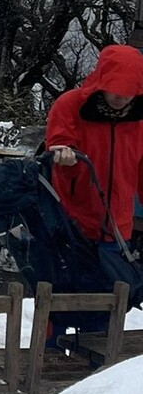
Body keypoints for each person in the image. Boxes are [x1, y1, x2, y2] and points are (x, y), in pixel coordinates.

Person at [46, 43, 143, 247]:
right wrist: (64, 155)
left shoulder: (139, 119)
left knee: (115, 278)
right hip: (72, 220)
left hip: (119, 225)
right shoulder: (71, 104)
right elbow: (58, 144)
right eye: (115, 88)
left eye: (129, 90)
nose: (122, 97)